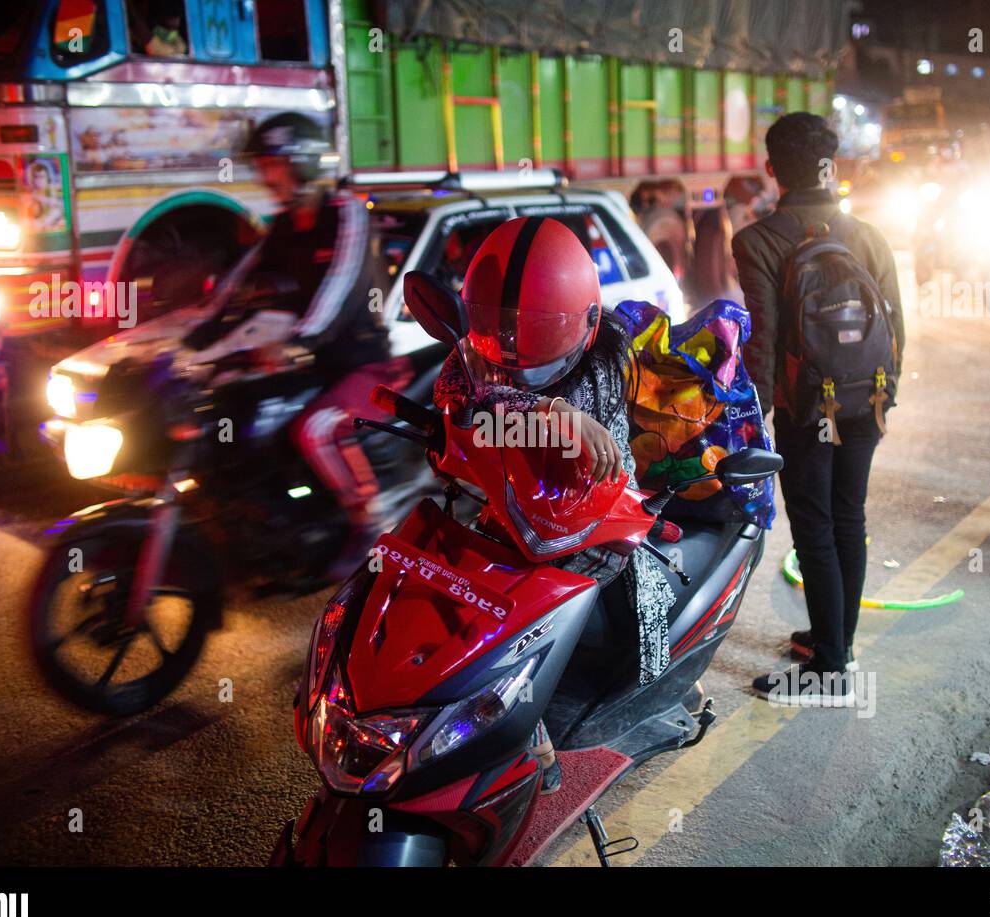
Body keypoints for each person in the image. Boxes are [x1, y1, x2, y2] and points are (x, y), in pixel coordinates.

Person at [433, 215, 675, 791]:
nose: (515, 346)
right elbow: (456, 393)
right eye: (501, 327)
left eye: (536, 329)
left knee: (539, 607)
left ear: (584, 318)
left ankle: (529, 738)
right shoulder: (480, 351)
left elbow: (587, 458)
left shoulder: (605, 356)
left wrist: (552, 416)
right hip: (504, 504)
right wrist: (543, 412)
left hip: (593, 517)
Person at [731, 112, 905, 707]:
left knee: (815, 529)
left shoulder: (758, 239)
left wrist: (750, 418)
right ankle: (833, 641)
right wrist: (887, 394)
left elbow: (764, 340)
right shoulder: (870, 235)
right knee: (847, 519)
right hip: (867, 401)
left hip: (806, 410)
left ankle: (831, 666)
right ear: (831, 165)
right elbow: (897, 326)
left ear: (773, 170)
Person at [243, 112, 407, 582]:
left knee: (315, 429)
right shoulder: (283, 226)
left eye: (273, 164)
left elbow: (339, 287)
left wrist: (299, 341)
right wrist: (192, 342)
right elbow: (239, 286)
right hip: (310, 364)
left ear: (302, 162)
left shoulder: (347, 214)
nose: (266, 176)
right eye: (263, 166)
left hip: (365, 365)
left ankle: (367, 522)